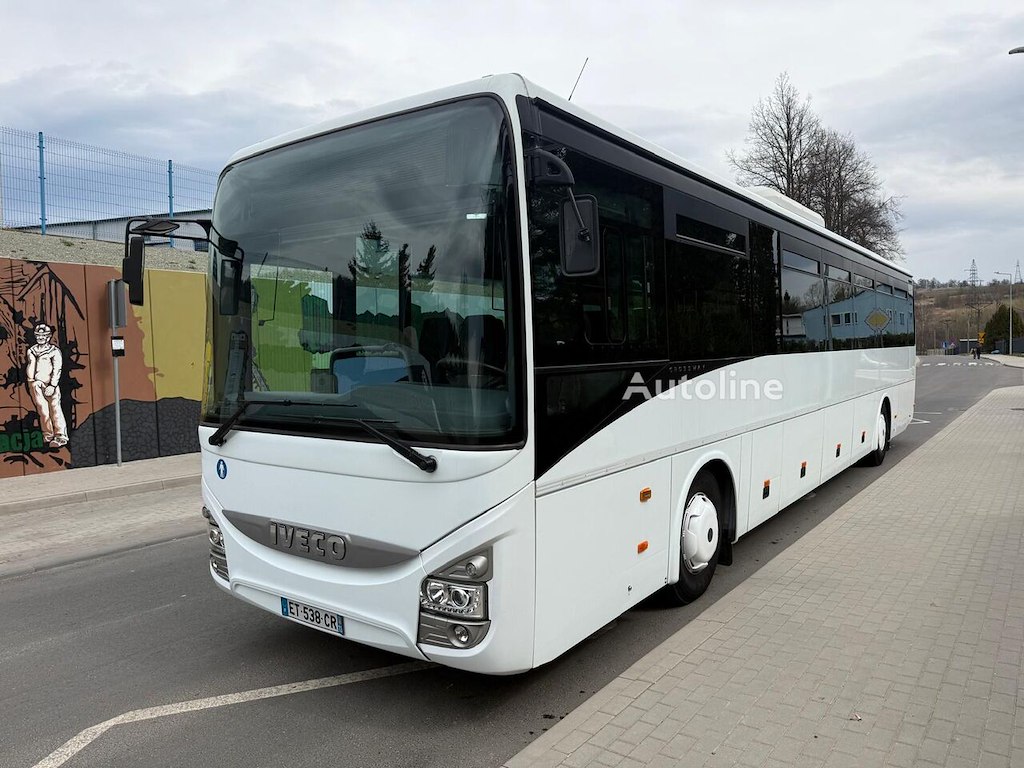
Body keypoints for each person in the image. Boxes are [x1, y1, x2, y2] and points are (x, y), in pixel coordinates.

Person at [25, 323, 68, 448]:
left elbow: (57, 369)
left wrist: (53, 385)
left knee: (55, 409)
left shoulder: (54, 351)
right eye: (38, 335)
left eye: (43, 335)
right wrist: (31, 381)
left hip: (50, 384)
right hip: (35, 384)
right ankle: (48, 435)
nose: (40, 338)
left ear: (48, 337)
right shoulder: (31, 350)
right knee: (42, 410)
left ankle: (61, 436)